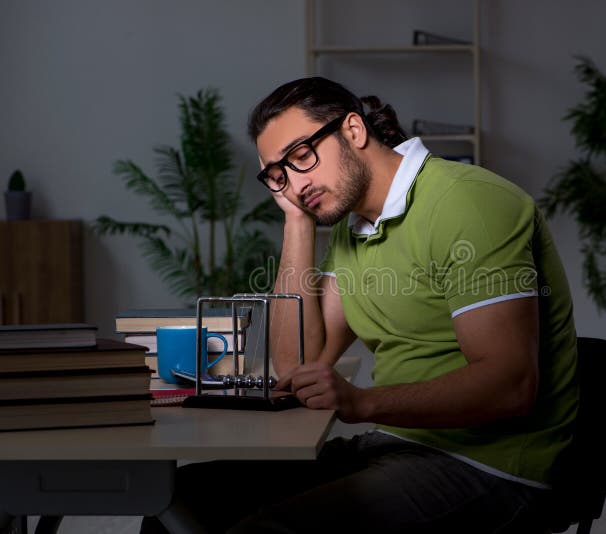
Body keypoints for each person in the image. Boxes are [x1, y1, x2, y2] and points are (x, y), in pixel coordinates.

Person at [141, 76, 578, 534]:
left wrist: (363, 402)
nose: (294, 182)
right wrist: (297, 221)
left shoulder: (468, 202)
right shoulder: (357, 229)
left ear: (352, 130)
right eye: (278, 174)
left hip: (493, 466)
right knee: (176, 498)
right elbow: (296, 365)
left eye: (301, 156)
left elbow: (511, 386)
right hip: (399, 446)